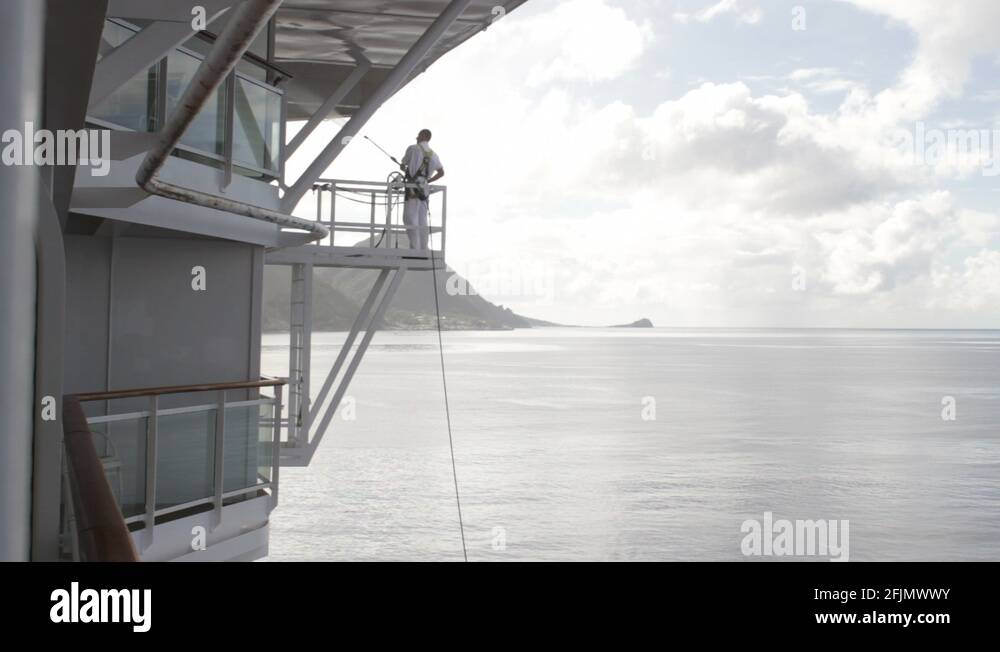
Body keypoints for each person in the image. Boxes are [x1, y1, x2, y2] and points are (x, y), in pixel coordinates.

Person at [400, 129, 444, 251]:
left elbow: (404, 163)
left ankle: (415, 248)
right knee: (422, 218)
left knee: (409, 216)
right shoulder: (434, 154)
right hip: (424, 188)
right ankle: (424, 248)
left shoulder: (413, 149)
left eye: (418, 135)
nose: (416, 137)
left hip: (413, 188)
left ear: (424, 136)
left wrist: (403, 166)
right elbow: (441, 172)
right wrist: (428, 181)